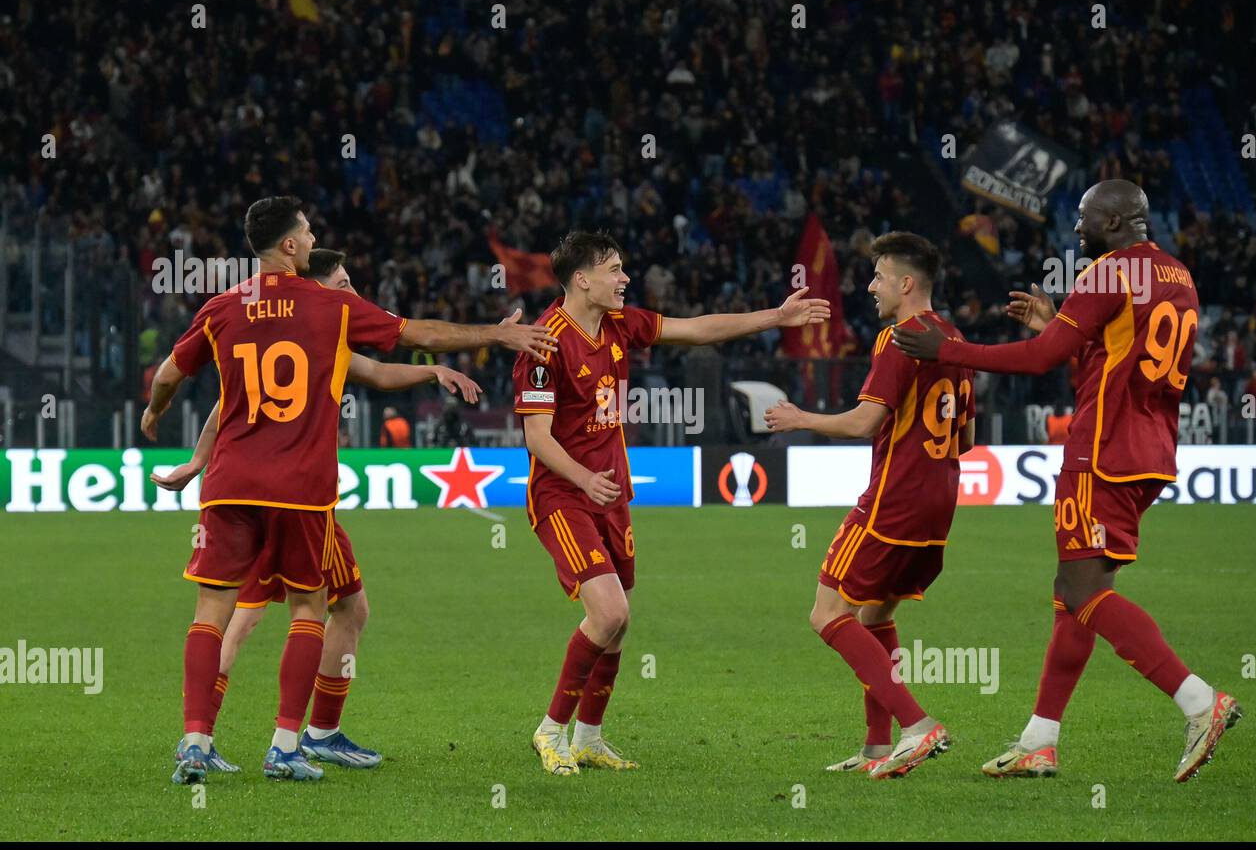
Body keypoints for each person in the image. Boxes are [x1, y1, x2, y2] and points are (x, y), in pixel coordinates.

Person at [143, 195, 558, 784]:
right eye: (307, 233)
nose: (313, 240)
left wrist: (156, 416)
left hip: (230, 485)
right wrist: (495, 334)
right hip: (299, 488)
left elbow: (167, 376)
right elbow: (422, 333)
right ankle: (288, 745)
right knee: (311, 608)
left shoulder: (221, 307)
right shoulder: (330, 307)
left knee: (212, 613)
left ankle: (195, 742)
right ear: (289, 246)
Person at [893, 180, 1242, 782]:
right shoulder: (1179, 276)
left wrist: (947, 351)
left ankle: (1199, 701)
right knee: (1071, 594)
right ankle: (1040, 741)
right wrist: (1056, 323)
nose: (1075, 229)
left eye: (1083, 218)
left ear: (1112, 220)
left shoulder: (1107, 274)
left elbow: (1039, 361)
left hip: (1100, 453)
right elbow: (1107, 361)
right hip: (1149, 452)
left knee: (1084, 596)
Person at [514, 229, 829, 775]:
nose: (625, 278)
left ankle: (589, 736)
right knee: (607, 612)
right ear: (582, 279)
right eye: (614, 269)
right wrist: (585, 479)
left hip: (611, 493)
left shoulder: (620, 324)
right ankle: (551, 730)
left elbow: (699, 329)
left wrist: (773, 318)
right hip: (564, 494)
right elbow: (538, 438)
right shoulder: (545, 342)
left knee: (619, 622)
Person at [765, 232, 974, 778]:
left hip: (892, 502)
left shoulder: (898, 339)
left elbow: (864, 422)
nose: (870, 285)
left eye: (879, 276)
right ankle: (879, 746)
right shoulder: (953, 339)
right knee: (876, 614)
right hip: (939, 505)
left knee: (827, 614)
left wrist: (800, 419)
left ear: (906, 284)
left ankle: (918, 726)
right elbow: (968, 438)